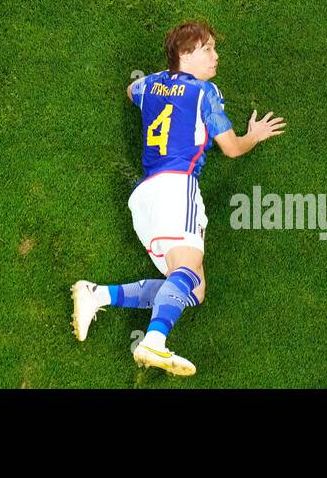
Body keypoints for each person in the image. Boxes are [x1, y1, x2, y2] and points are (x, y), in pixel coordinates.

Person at [71, 22, 285, 376]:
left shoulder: (148, 85)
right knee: (186, 271)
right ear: (185, 55)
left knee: (193, 289)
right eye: (208, 49)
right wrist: (255, 136)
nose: (216, 56)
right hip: (177, 188)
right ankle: (154, 341)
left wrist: (167, 78)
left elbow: (130, 90)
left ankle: (97, 295)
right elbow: (231, 148)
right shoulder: (204, 92)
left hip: (147, 197)